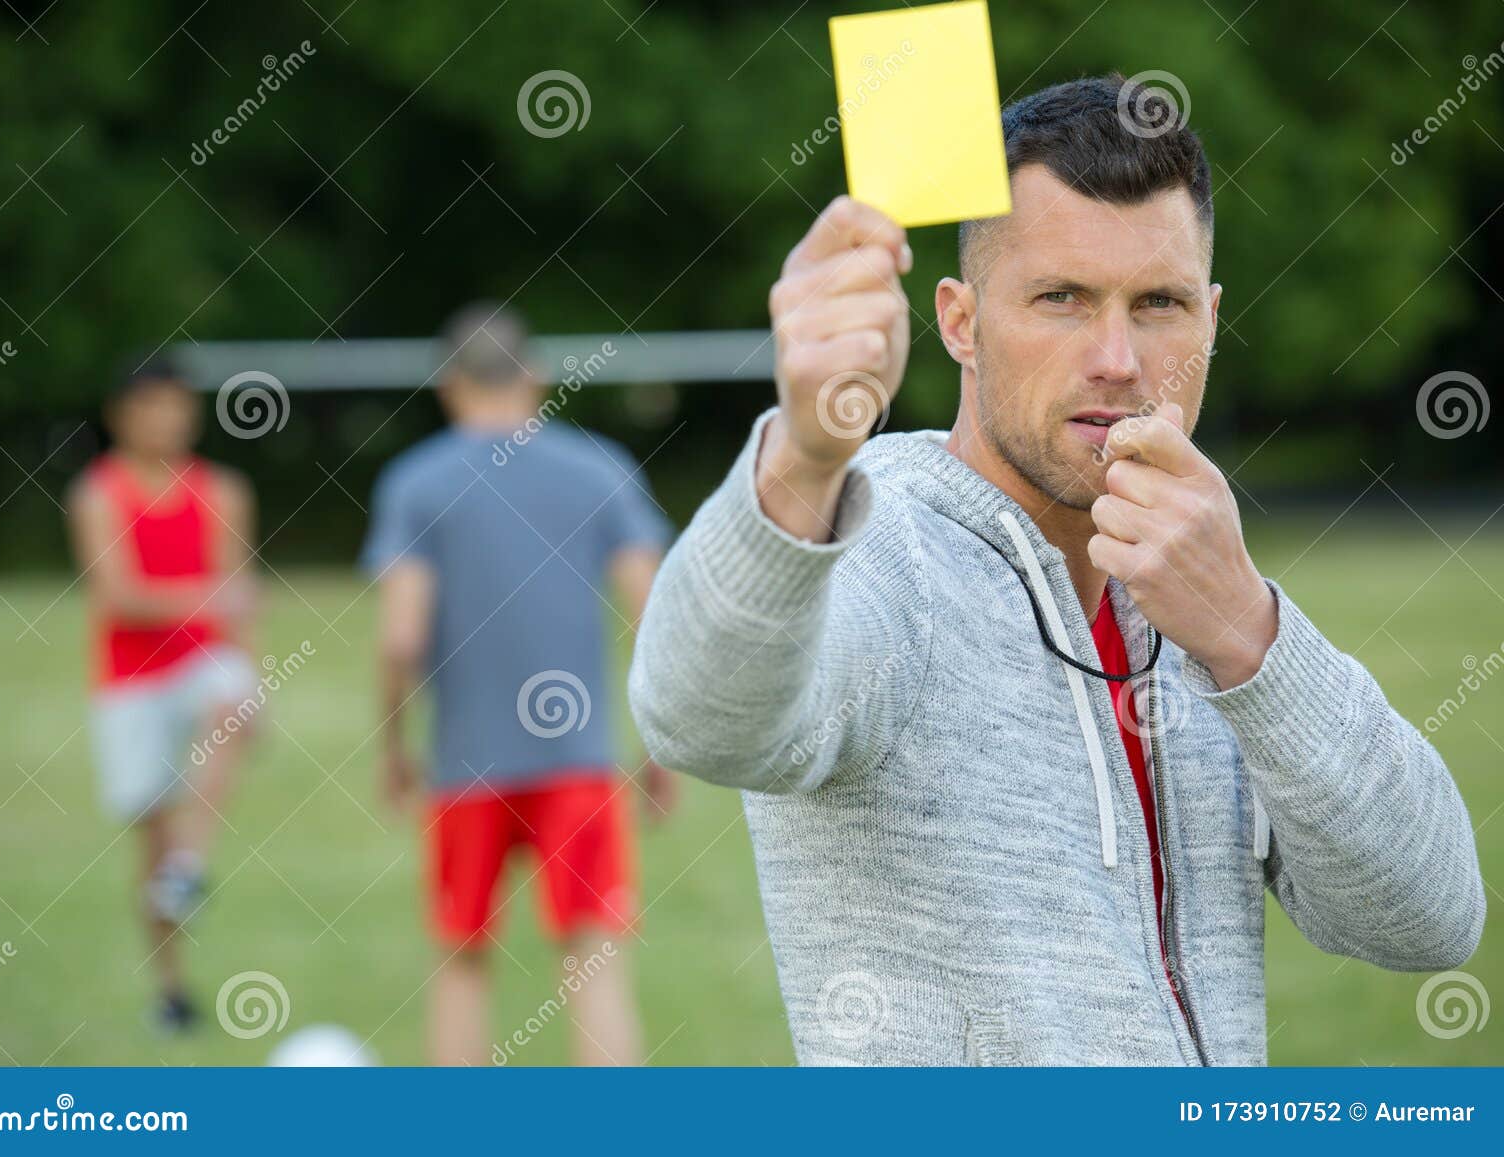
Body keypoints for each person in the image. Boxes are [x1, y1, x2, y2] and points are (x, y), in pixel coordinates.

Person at [629, 74, 1485, 1065]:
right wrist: (804, 459)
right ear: (958, 320)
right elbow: (697, 714)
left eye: (1156, 303)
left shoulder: (1200, 585)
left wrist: (1249, 634)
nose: (1116, 357)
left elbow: (1428, 916)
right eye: (1061, 298)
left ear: (1208, 319)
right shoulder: (882, 551)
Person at [363, 303, 674, 1066]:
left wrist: (395, 747)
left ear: (449, 385)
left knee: (463, 961)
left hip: (463, 766)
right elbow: (656, 611)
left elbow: (400, 637)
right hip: (579, 760)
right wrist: (662, 742)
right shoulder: (599, 465)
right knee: (593, 958)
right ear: (533, 376)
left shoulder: (415, 482)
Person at [66, 359, 260, 1032]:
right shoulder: (99, 494)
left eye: (177, 405)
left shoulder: (223, 490)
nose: (167, 419)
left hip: (200, 666)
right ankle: (172, 988)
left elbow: (239, 602)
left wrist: (250, 672)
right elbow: (118, 595)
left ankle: (190, 862)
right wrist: (204, 596)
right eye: (152, 406)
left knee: (232, 696)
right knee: (149, 843)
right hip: (130, 686)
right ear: (122, 415)